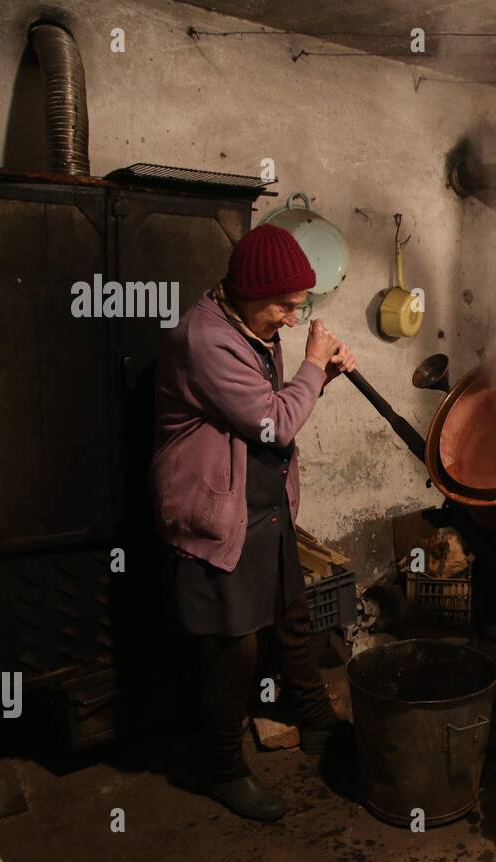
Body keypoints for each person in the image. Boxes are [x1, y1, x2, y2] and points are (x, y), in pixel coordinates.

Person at [149, 224, 355, 821]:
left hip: (264, 507)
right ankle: (224, 769)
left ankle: (314, 719)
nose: (292, 319)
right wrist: (315, 366)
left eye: (298, 307)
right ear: (245, 291)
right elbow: (274, 423)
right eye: (283, 306)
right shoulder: (204, 340)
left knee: (291, 614)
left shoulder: (251, 325)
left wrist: (322, 374)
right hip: (217, 514)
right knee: (232, 651)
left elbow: (272, 408)